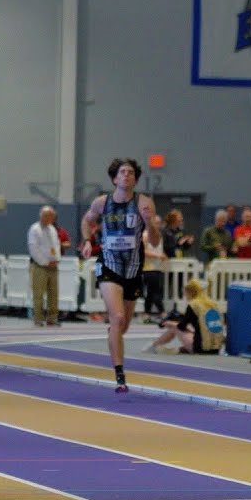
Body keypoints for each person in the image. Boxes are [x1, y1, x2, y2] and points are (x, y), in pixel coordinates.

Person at [80, 158, 159, 392]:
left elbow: (155, 241)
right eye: (122, 172)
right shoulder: (102, 202)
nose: (126, 175)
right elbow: (87, 220)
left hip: (133, 267)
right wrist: (87, 240)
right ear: (115, 179)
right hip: (109, 264)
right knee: (116, 318)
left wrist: (149, 223)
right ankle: (120, 375)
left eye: (131, 173)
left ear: (135, 179)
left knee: (123, 325)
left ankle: (114, 334)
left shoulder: (144, 203)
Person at [144, 278, 225, 355]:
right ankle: (180, 349)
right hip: (216, 348)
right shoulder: (213, 304)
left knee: (174, 327)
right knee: (191, 333)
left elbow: (181, 326)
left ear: (190, 292)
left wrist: (170, 323)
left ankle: (154, 346)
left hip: (201, 348)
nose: (185, 296)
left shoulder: (194, 305)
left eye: (185, 293)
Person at [27, 205, 62, 327]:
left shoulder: (52, 229)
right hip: (40, 266)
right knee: (39, 294)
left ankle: (52, 319)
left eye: (52, 217)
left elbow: (56, 246)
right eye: (48, 216)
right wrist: (46, 262)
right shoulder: (34, 229)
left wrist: (57, 259)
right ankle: (38, 318)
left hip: (53, 266)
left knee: (54, 294)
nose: (51, 219)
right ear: (42, 216)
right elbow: (33, 249)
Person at [142, 214, 168, 321]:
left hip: (157, 268)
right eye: (156, 223)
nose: (158, 225)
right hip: (149, 268)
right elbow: (143, 252)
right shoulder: (145, 235)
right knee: (155, 292)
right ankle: (162, 312)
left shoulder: (158, 236)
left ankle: (147, 313)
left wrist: (163, 255)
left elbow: (158, 250)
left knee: (151, 292)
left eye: (159, 223)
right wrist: (158, 256)